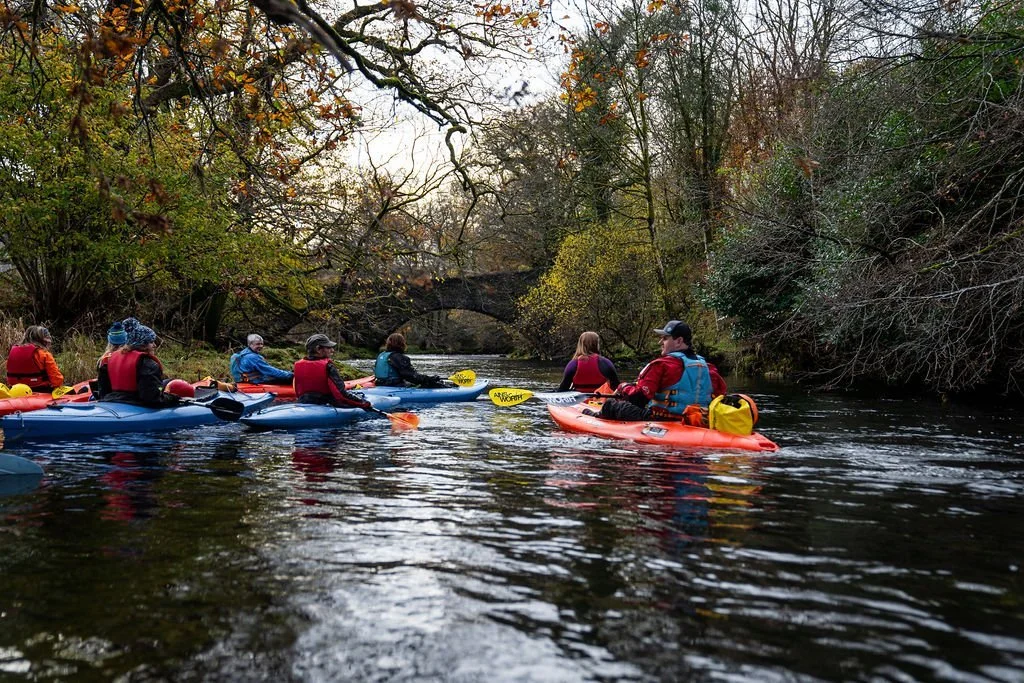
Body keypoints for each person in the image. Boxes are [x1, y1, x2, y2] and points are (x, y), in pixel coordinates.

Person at [593, 320, 727, 421]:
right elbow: (720, 396)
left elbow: (638, 399)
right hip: (697, 421)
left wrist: (623, 387)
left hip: (662, 419)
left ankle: (592, 415)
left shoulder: (661, 365)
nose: (660, 342)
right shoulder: (709, 368)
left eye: (665, 338)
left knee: (610, 405)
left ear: (679, 341)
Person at [97, 318, 184, 407]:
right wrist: (174, 398)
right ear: (142, 345)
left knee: (168, 382)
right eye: (151, 342)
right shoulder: (148, 365)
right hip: (135, 405)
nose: (154, 345)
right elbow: (152, 398)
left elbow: (103, 392)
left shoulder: (109, 360)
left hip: (111, 402)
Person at [294, 334, 373, 409]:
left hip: (303, 402)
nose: (332, 350)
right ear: (318, 349)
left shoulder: (297, 365)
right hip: (325, 403)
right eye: (328, 348)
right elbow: (341, 394)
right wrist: (363, 403)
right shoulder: (328, 366)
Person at [6, 325, 64, 393]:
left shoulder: (13, 351)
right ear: (43, 341)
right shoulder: (44, 354)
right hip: (40, 390)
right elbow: (57, 380)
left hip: (14, 390)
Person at [373, 333, 443, 388]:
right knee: (433, 384)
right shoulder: (399, 357)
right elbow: (412, 377)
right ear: (402, 344)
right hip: (394, 386)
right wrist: (429, 379)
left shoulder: (381, 355)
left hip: (380, 384)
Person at [229, 334, 294, 385]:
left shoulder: (241, 354)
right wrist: (290, 375)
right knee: (287, 378)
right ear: (249, 344)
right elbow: (270, 371)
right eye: (257, 344)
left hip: (242, 381)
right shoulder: (253, 357)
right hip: (254, 382)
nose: (260, 346)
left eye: (261, 344)